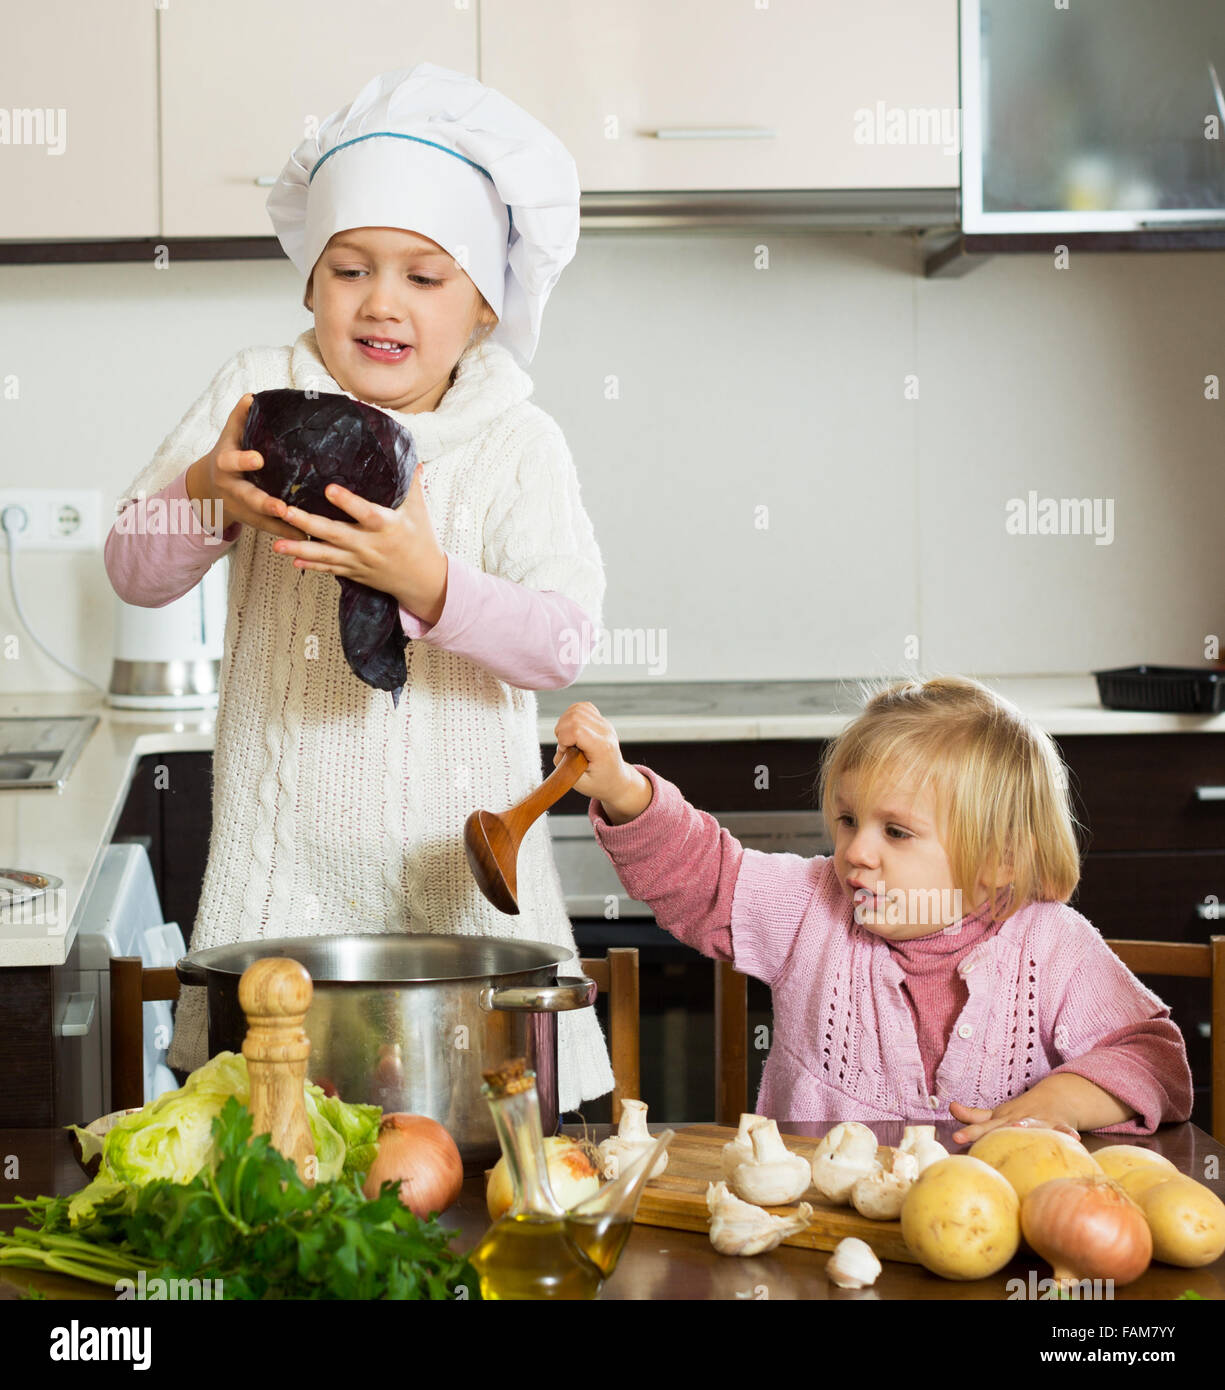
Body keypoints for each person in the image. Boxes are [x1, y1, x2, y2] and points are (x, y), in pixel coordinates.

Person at [104, 63, 615, 1112]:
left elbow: (561, 638)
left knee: (475, 1172)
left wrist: (426, 582)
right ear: (308, 282)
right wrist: (207, 493)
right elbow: (131, 563)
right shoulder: (255, 397)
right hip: (277, 884)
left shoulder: (517, 441)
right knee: (278, 1176)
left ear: (483, 306)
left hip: (465, 904)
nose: (382, 301)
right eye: (349, 269)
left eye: (425, 278)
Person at [553, 676, 1194, 1137]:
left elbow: (1152, 1057)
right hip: (815, 1237)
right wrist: (623, 790)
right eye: (848, 819)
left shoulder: (1052, 945)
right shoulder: (811, 908)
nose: (855, 851)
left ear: (1001, 857)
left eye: (896, 831)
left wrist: (1061, 1100)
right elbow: (706, 879)